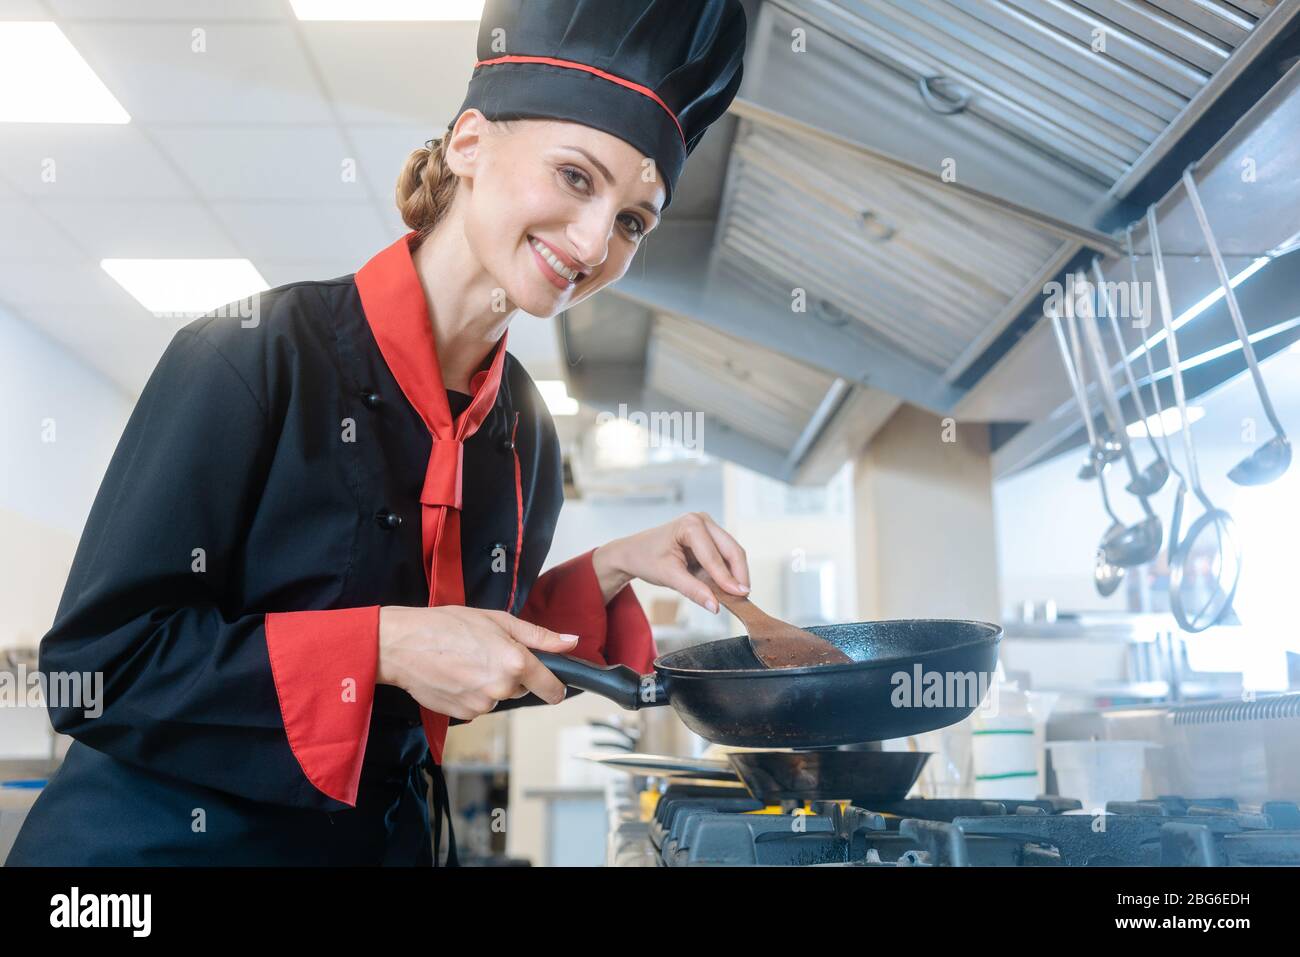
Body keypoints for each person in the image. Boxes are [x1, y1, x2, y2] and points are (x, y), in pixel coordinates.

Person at [5, 0, 749, 866]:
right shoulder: (252, 356)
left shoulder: (525, 436)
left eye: (632, 220)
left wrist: (613, 567)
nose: (593, 243)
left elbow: (456, 668)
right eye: (577, 177)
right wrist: (383, 642)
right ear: (469, 143)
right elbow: (97, 670)